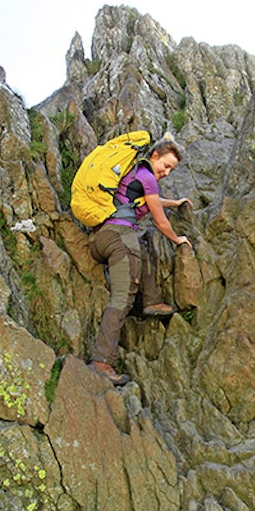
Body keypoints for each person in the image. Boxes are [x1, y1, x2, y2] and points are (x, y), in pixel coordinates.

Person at [87, 137, 193, 385]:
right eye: (165, 166)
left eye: (171, 170)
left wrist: (174, 203)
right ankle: (101, 361)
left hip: (102, 238)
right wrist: (177, 239)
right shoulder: (146, 176)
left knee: (142, 248)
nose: (166, 172)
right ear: (154, 156)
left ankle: (152, 301)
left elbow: (151, 201)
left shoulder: (136, 176)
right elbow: (159, 220)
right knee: (122, 298)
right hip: (119, 237)